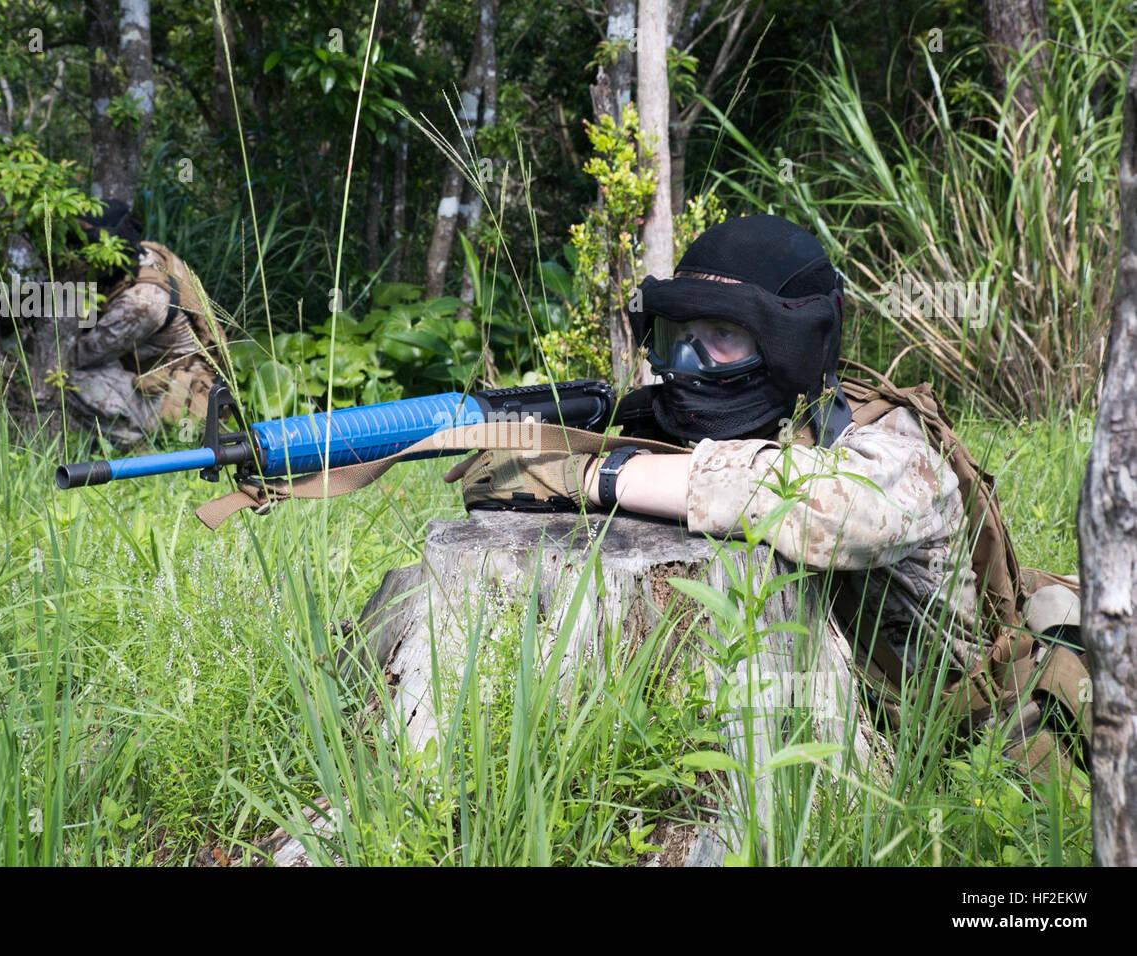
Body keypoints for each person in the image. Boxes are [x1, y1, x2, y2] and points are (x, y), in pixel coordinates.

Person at [446, 214, 1090, 785]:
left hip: (964, 742)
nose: (691, 359)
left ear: (792, 344)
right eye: (679, 333)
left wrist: (599, 475)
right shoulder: (679, 415)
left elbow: (838, 514)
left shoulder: (886, 442)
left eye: (722, 333)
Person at [62, 200, 230, 446]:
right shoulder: (149, 253)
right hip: (184, 384)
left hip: (184, 403)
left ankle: (137, 445)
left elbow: (76, 357)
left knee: (64, 378)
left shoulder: (142, 302)